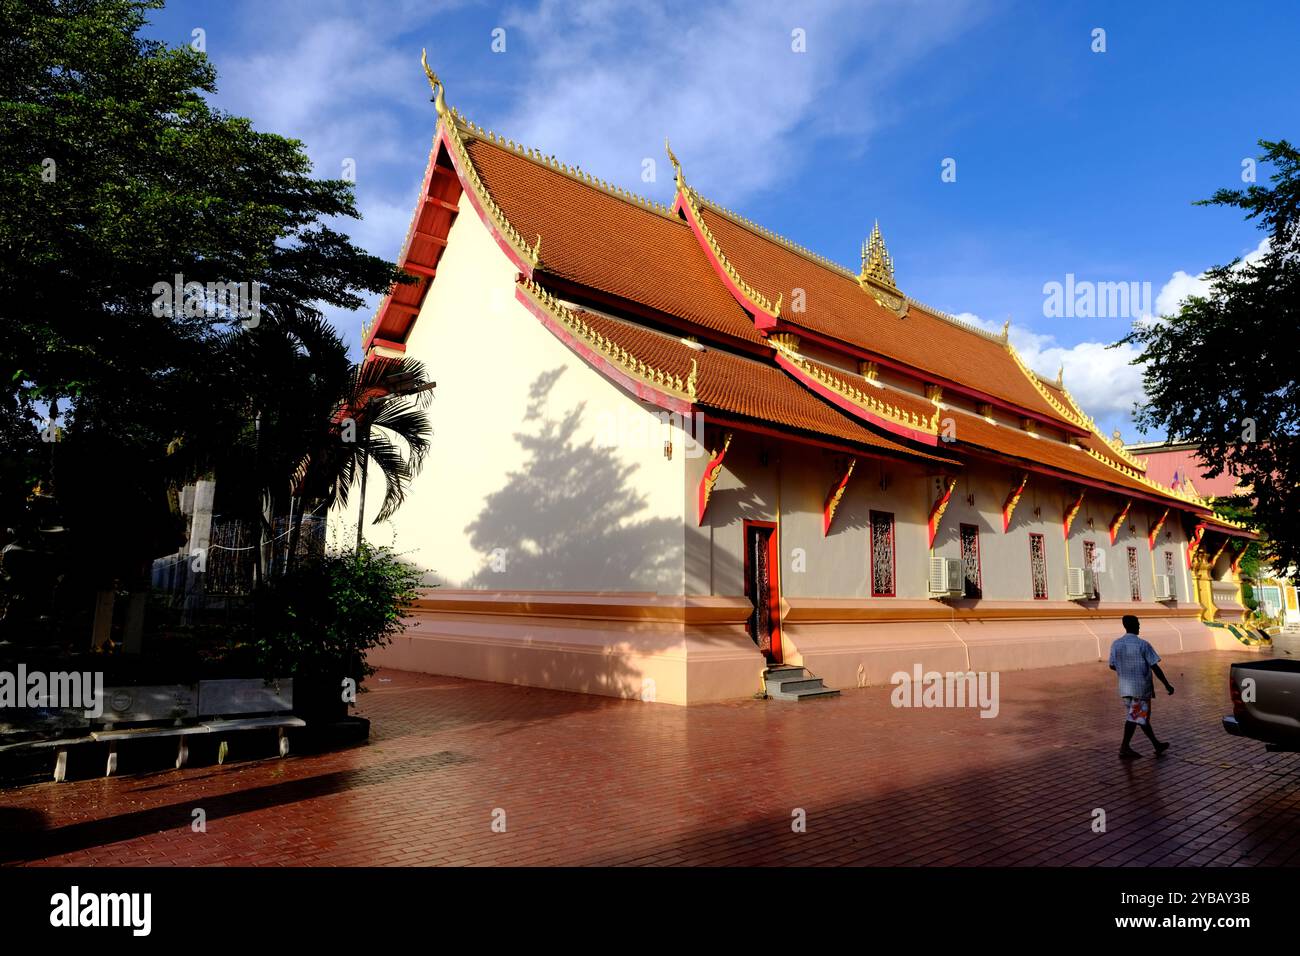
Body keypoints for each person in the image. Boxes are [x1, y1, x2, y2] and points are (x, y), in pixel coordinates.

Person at [1108, 614, 1174, 758]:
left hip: (1125, 688)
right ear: (1132, 625)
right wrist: (1167, 684)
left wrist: (1126, 669)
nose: (1139, 626)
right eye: (1137, 623)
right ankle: (1124, 747)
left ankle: (1156, 744)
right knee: (1136, 717)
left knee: (1138, 717)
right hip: (1140, 689)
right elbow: (1155, 667)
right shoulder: (1143, 644)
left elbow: (1112, 665)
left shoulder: (1116, 644)